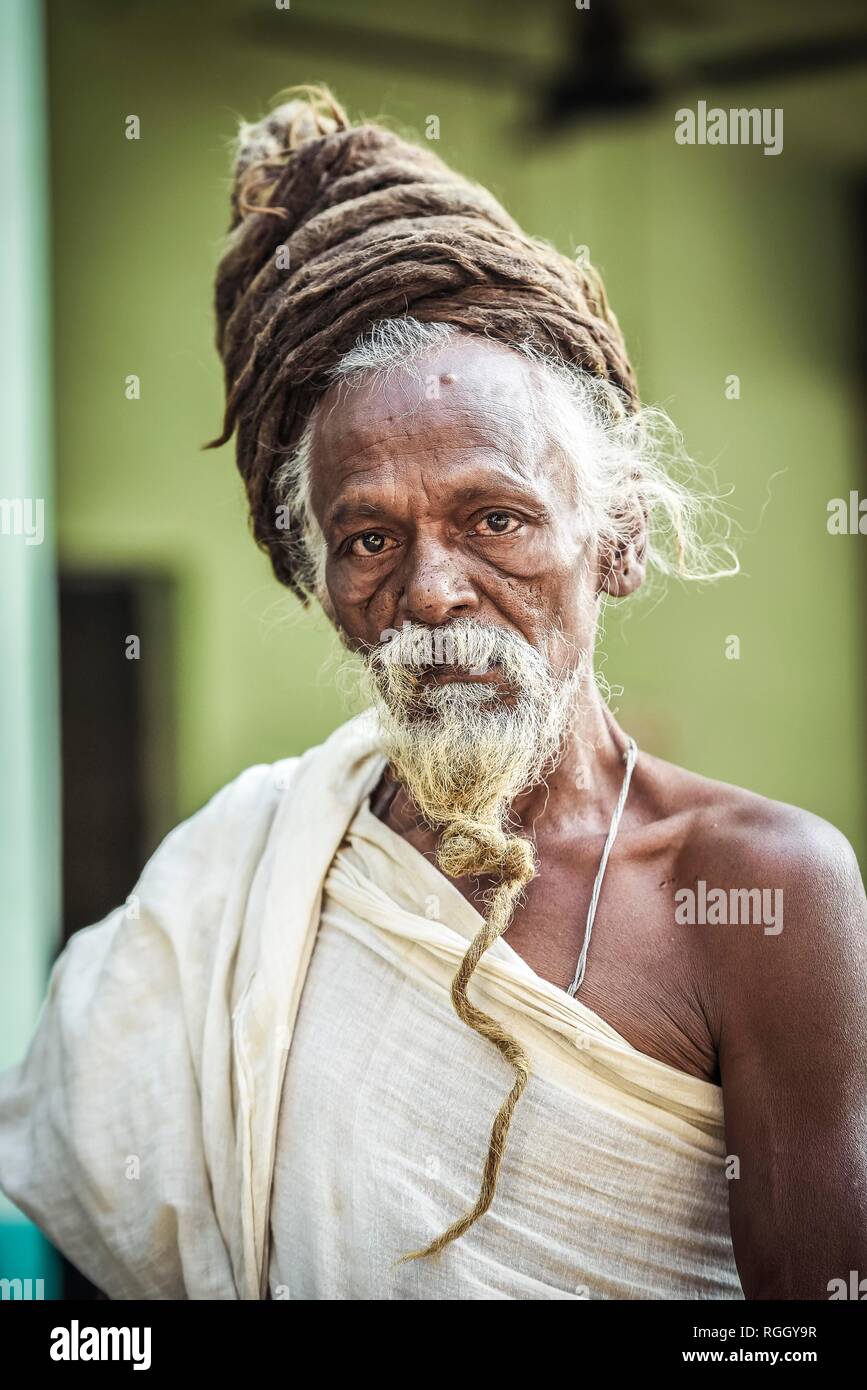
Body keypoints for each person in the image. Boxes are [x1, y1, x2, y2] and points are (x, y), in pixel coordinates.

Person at [1, 88, 865, 1301]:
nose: (433, 592)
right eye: (367, 541)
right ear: (319, 581)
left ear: (617, 541)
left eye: (496, 519)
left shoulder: (760, 889)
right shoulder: (251, 876)